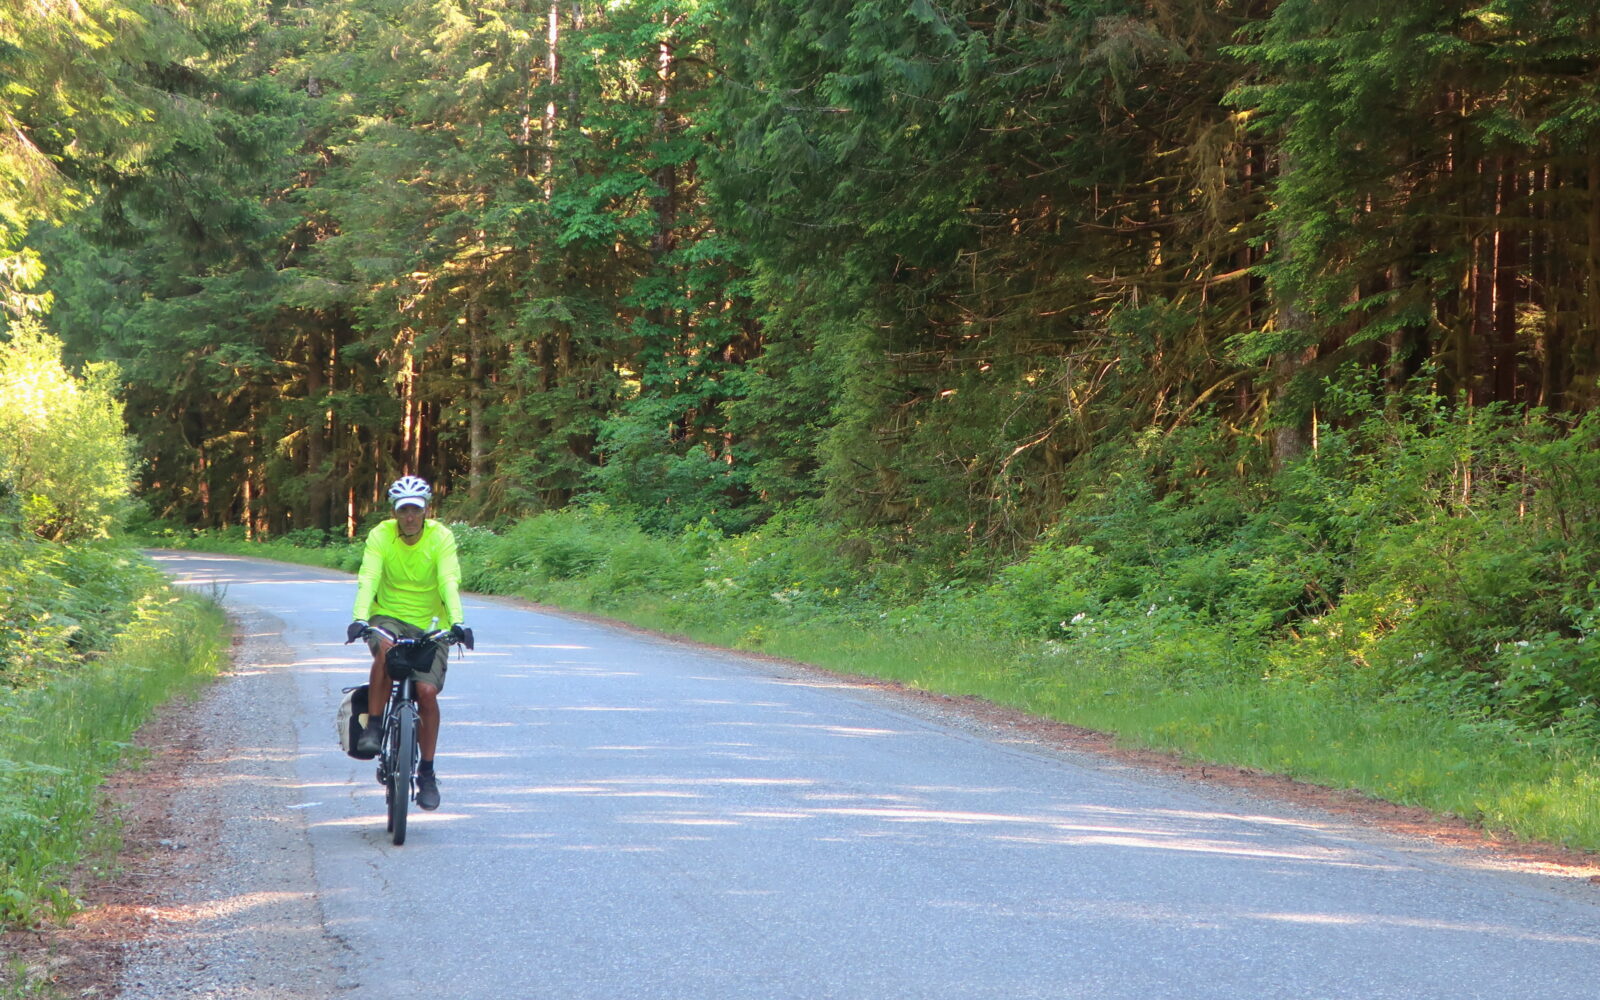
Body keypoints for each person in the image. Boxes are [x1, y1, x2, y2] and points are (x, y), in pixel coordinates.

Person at [346, 475, 474, 811]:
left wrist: (458, 622)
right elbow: (369, 576)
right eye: (403, 510)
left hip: (432, 623)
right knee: (386, 654)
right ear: (395, 511)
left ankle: (427, 772)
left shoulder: (441, 537)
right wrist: (360, 617)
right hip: (387, 615)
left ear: (426, 510)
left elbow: (449, 579)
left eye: (416, 510)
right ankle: (374, 727)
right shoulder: (381, 536)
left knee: (426, 692)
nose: (410, 517)